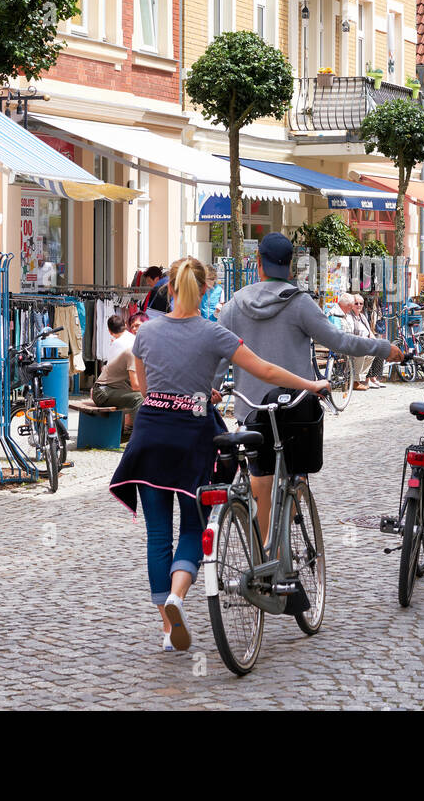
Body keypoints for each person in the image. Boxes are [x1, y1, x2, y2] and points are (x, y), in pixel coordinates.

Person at [110, 257, 328, 653]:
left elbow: (145, 387)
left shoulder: (146, 332)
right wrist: (310, 384)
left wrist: (181, 392)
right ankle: (178, 596)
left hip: (149, 437)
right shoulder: (214, 333)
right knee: (194, 528)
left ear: (169, 290)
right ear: (205, 292)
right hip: (191, 439)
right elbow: (266, 371)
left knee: (157, 535)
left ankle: (166, 624)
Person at [217, 233, 401, 534]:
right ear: (290, 267)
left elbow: (219, 355)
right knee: (295, 475)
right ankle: (282, 540)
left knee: (259, 472)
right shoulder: (299, 304)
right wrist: (382, 347)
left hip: (250, 410)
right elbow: (339, 340)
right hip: (295, 407)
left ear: (259, 265)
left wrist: (209, 390)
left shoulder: (234, 306)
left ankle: (262, 552)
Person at [351, 295, 383, 388]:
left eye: (361, 303)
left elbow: (369, 332)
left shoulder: (362, 317)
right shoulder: (349, 316)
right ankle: (360, 380)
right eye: (356, 303)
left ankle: (369, 378)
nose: (359, 305)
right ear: (352, 305)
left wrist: (375, 341)